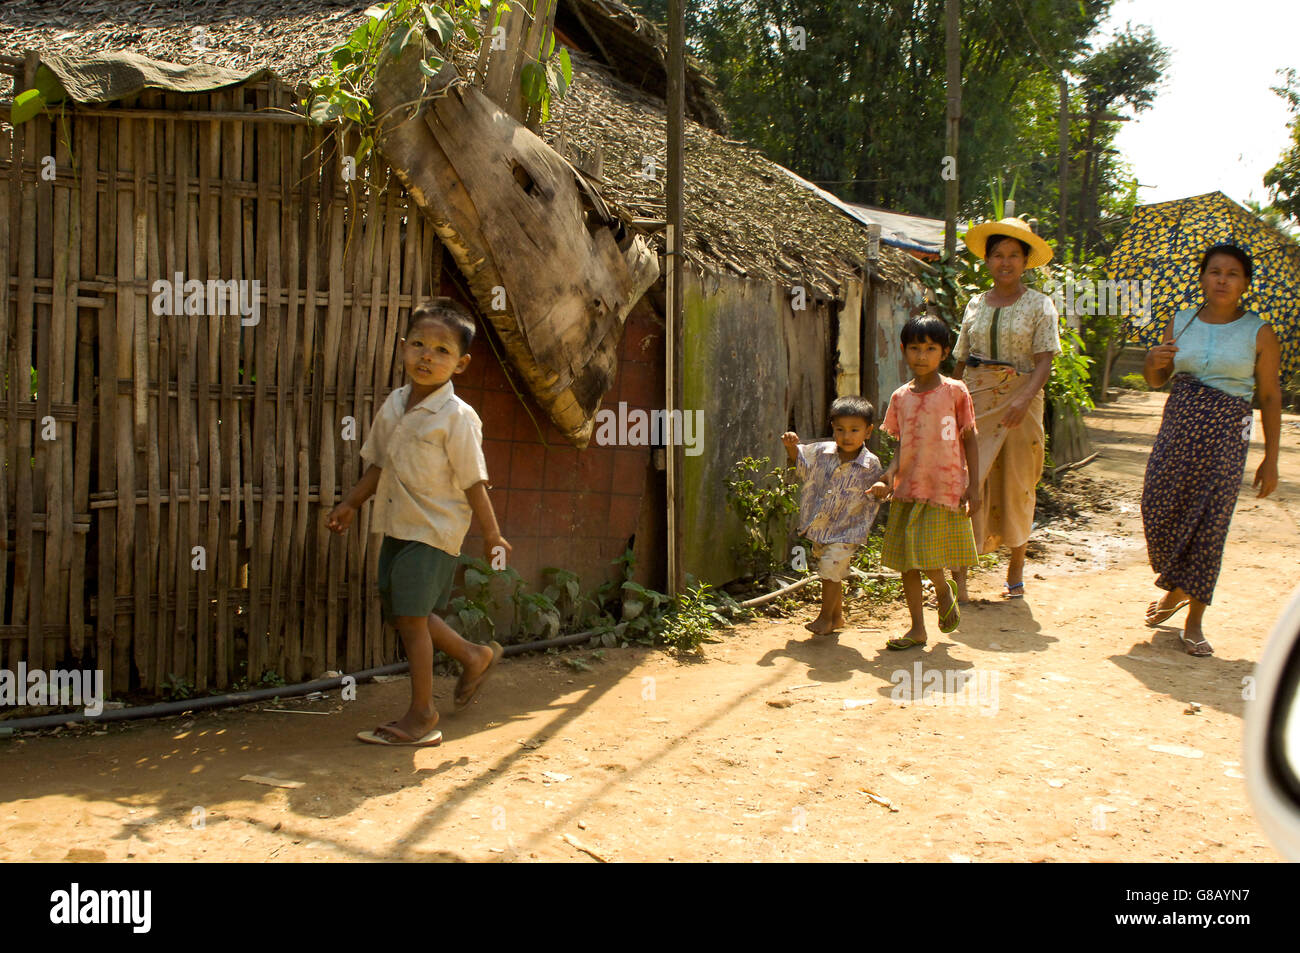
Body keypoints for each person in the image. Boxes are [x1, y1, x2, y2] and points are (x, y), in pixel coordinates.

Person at [326, 297, 511, 744]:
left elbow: (473, 480)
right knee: (407, 613)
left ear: (461, 364)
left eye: (442, 350)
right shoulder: (394, 404)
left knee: (410, 619)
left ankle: (422, 715)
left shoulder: (458, 418)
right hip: (396, 524)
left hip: (434, 530)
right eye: (418, 344)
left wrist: (493, 534)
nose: (427, 355)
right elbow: (378, 465)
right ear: (402, 347)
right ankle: (473, 656)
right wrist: (351, 503)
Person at [1141, 243, 1281, 656]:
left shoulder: (1259, 332)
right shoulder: (1181, 322)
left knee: (1211, 521)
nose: (1222, 279)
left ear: (1245, 284)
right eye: (1215, 271)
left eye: (1233, 273)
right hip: (1179, 426)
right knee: (1158, 503)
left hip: (1226, 434)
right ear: (1202, 278)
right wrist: (1152, 360)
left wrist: (1270, 459)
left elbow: (1270, 397)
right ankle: (1178, 585)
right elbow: (1155, 380)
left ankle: (1195, 619)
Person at [951, 217, 1060, 601]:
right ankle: (959, 575)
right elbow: (961, 360)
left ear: (1026, 260)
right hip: (976, 400)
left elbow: (1045, 361)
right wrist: (950, 401)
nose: (1006, 262)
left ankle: (1016, 564)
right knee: (969, 483)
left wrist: (1023, 398)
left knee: (1017, 485)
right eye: (998, 254)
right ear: (987, 259)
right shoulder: (975, 303)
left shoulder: (1039, 305)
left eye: (1014, 255)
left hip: (1022, 402)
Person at [870, 315, 980, 649]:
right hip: (908, 489)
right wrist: (890, 473)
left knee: (929, 557)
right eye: (915, 348)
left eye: (930, 348)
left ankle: (944, 589)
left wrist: (974, 485)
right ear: (903, 351)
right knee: (908, 563)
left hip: (943, 489)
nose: (922, 355)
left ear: (944, 352)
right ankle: (917, 628)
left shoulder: (955, 391)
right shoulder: (900, 397)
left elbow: (970, 436)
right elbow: (902, 444)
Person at [782, 396, 884, 636]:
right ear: (833, 428)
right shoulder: (820, 452)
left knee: (829, 568)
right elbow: (802, 466)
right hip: (821, 526)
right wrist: (790, 446)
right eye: (840, 429)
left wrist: (882, 486)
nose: (847, 436)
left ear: (868, 432)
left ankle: (825, 618)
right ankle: (837, 617)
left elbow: (879, 492)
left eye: (854, 430)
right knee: (832, 572)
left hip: (849, 529)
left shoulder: (870, 464)